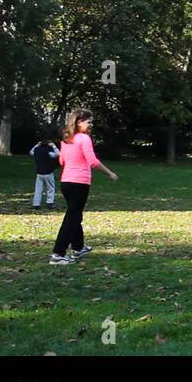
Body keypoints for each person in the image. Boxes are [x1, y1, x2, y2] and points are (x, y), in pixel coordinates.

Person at [50, 109, 118, 266]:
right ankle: (58, 254)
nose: (90, 125)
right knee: (72, 217)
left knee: (75, 215)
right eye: (88, 122)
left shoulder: (67, 139)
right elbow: (93, 161)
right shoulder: (84, 139)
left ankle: (79, 247)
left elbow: (61, 161)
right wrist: (110, 173)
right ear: (79, 122)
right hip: (79, 183)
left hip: (66, 182)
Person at [29, 138, 60, 210]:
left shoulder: (36, 151)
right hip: (48, 172)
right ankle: (50, 202)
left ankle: (36, 203)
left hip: (39, 173)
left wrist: (36, 145)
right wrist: (54, 146)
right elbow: (58, 154)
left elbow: (31, 152)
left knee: (38, 189)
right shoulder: (49, 152)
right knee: (51, 188)